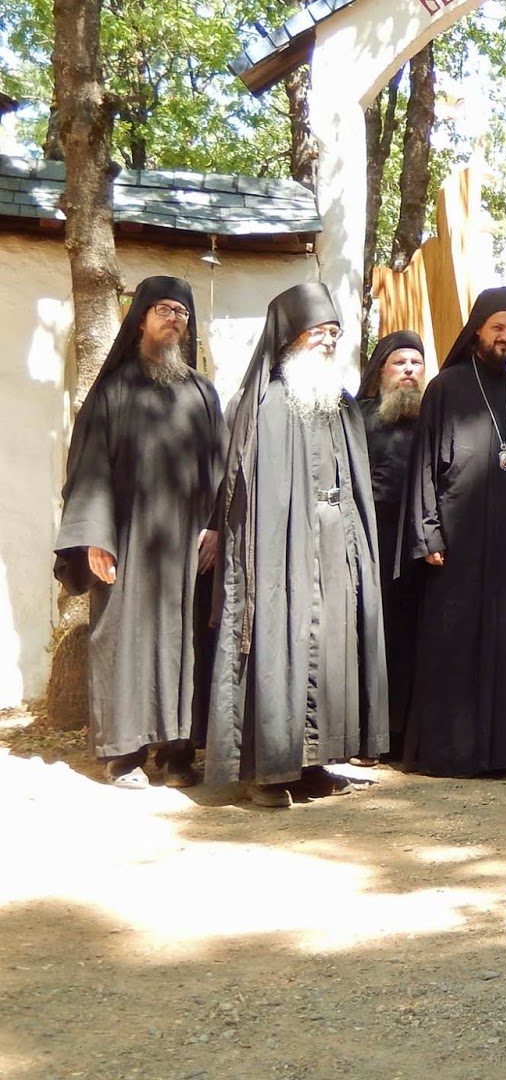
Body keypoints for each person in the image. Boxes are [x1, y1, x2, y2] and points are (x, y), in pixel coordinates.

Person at [208, 282, 388, 808]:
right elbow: (238, 490)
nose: (329, 343)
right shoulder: (261, 404)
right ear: (289, 338)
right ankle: (264, 771)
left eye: (335, 333)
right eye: (318, 333)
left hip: (333, 550)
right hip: (277, 554)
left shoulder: (339, 404)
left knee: (330, 648)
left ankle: (311, 762)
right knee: (278, 648)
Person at [54, 275, 224, 789]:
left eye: (182, 312)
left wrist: (216, 527)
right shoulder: (114, 389)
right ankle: (123, 753)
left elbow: (221, 470)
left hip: (185, 546)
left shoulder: (202, 394)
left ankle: (176, 754)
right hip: (125, 543)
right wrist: (93, 537)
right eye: (164, 309)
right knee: (122, 640)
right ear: (142, 320)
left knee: (184, 644)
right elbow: (88, 468)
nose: (174, 318)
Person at [402, 289, 506, 777]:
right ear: (478, 328)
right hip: (455, 542)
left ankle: (497, 752)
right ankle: (445, 752)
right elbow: (423, 467)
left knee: (503, 644)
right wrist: (428, 533)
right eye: (498, 328)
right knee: (452, 642)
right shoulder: (447, 386)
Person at [356, 330, 425, 757]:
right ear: (382, 369)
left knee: (409, 637)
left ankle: (402, 732)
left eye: (416, 364)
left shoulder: (433, 417)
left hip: (416, 541)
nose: (408, 370)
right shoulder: (359, 415)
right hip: (369, 538)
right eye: (400, 362)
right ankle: (366, 731)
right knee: (369, 634)